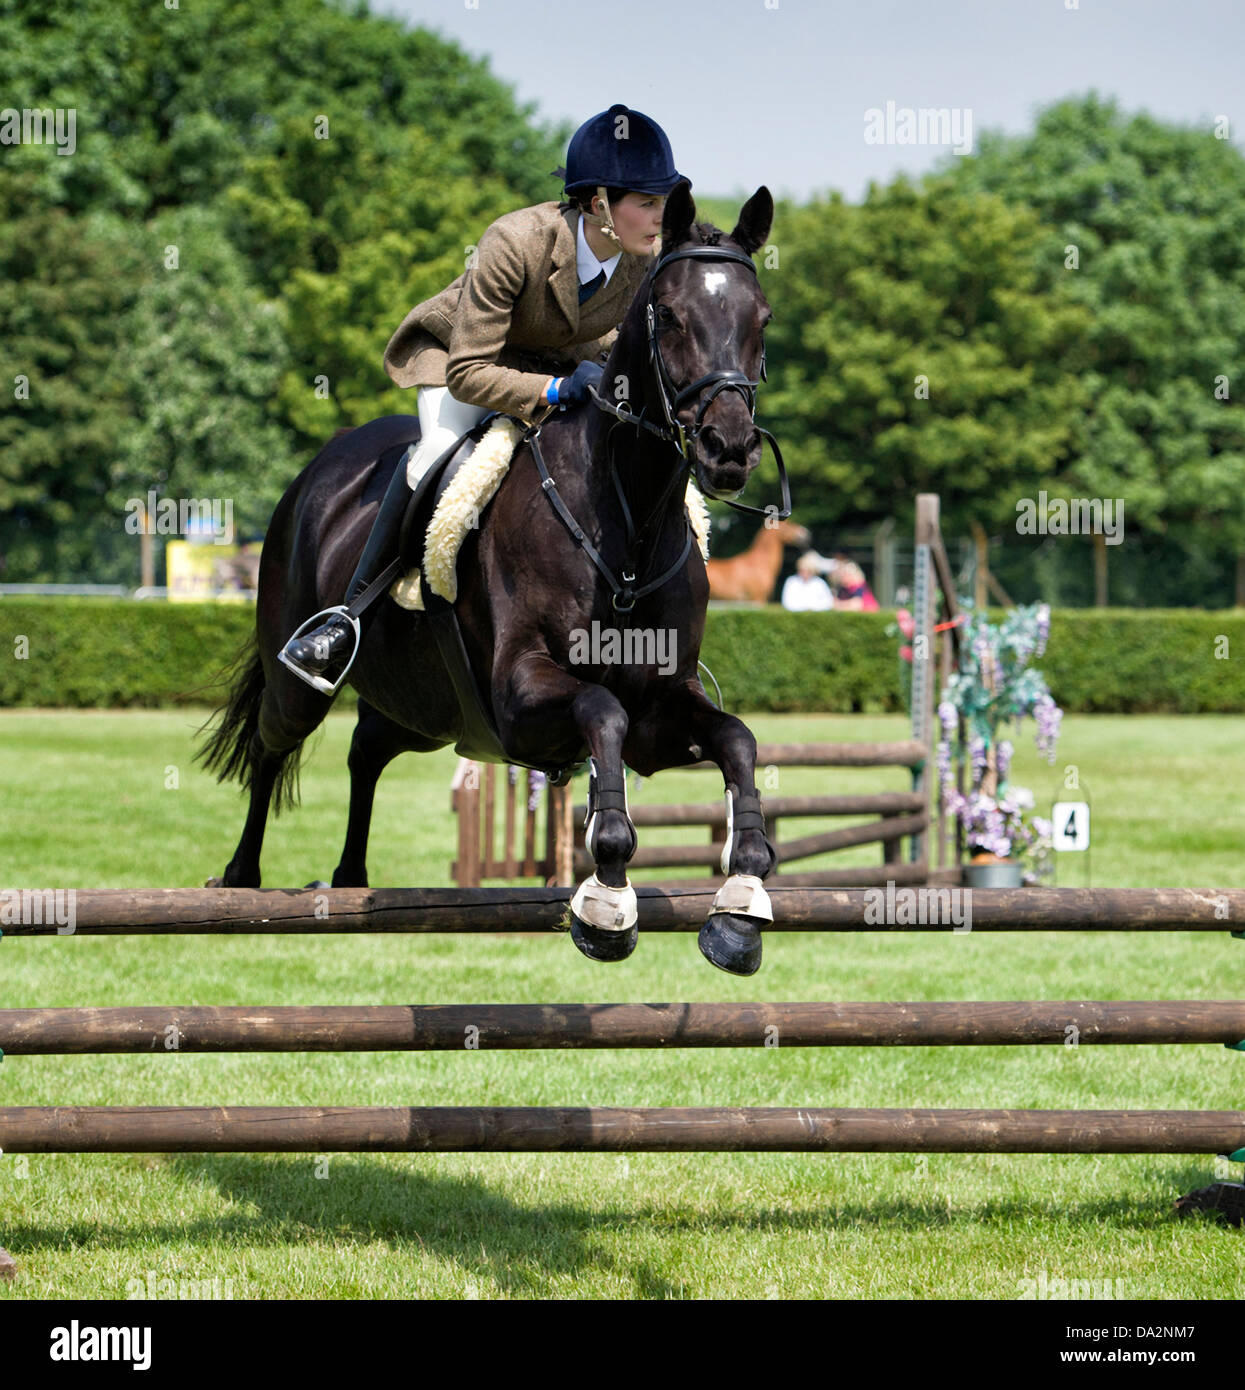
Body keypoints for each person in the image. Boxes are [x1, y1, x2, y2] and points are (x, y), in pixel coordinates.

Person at [279, 103, 686, 692]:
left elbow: (615, 337)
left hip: (556, 362)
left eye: (663, 202)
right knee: (436, 456)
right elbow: (472, 370)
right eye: (647, 203)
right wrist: (552, 389)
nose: (660, 217)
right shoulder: (514, 240)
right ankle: (344, 618)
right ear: (599, 203)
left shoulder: (639, 259)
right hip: (462, 361)